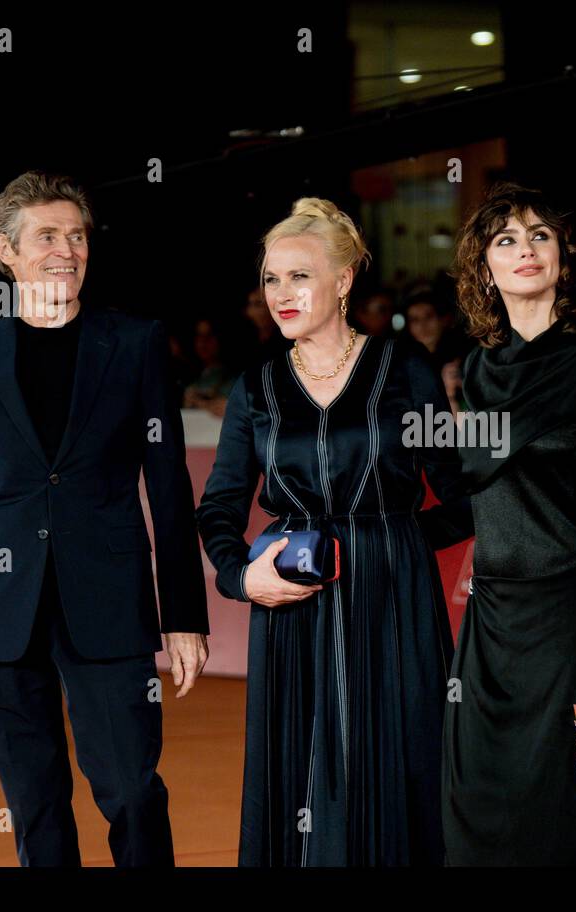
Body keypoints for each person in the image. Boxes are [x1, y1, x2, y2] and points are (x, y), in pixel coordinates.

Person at [0, 171, 210, 866]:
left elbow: (167, 486)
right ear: (5, 251)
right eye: (46, 236)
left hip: (108, 605)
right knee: (37, 806)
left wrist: (185, 614)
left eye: (76, 236)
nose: (66, 250)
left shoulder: (135, 343)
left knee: (133, 791)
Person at [196, 197, 473, 866]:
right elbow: (220, 507)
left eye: (299, 276)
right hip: (292, 609)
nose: (280, 294)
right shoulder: (256, 388)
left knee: (396, 777)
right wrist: (241, 576)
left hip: (394, 611)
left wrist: (395, 548)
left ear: (344, 279)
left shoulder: (404, 371)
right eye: (270, 279)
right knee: (302, 782)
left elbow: (461, 498)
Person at [441, 182, 576, 866]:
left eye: (539, 236)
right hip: (492, 618)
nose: (524, 250)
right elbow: (474, 495)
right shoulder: (473, 372)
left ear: (563, 258)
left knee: (567, 795)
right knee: (482, 791)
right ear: (485, 269)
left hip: (569, 613)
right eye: (505, 240)